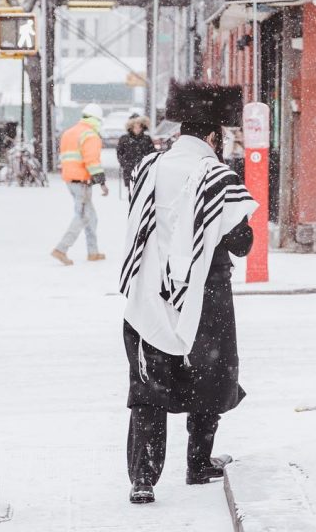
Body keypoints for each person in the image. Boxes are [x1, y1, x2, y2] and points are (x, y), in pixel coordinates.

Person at [120, 82, 254, 505]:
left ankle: (143, 478)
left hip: (149, 291)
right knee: (209, 375)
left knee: (149, 383)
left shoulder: (148, 167)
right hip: (206, 292)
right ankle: (198, 463)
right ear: (212, 137)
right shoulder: (217, 176)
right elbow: (241, 241)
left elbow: (138, 223)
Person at [52, 103, 109, 266]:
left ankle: (93, 252)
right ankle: (61, 249)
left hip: (70, 179)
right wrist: (102, 183)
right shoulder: (90, 135)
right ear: (97, 120)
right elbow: (92, 161)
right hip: (82, 181)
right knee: (83, 216)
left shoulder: (70, 132)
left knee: (91, 217)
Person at [116, 114, 156, 188]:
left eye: (139, 126)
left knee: (143, 190)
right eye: (135, 126)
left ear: (142, 127)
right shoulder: (124, 139)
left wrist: (148, 164)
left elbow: (152, 153)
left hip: (144, 169)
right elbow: (119, 153)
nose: (137, 129)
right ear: (131, 127)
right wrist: (125, 164)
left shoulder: (147, 139)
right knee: (131, 191)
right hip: (129, 170)